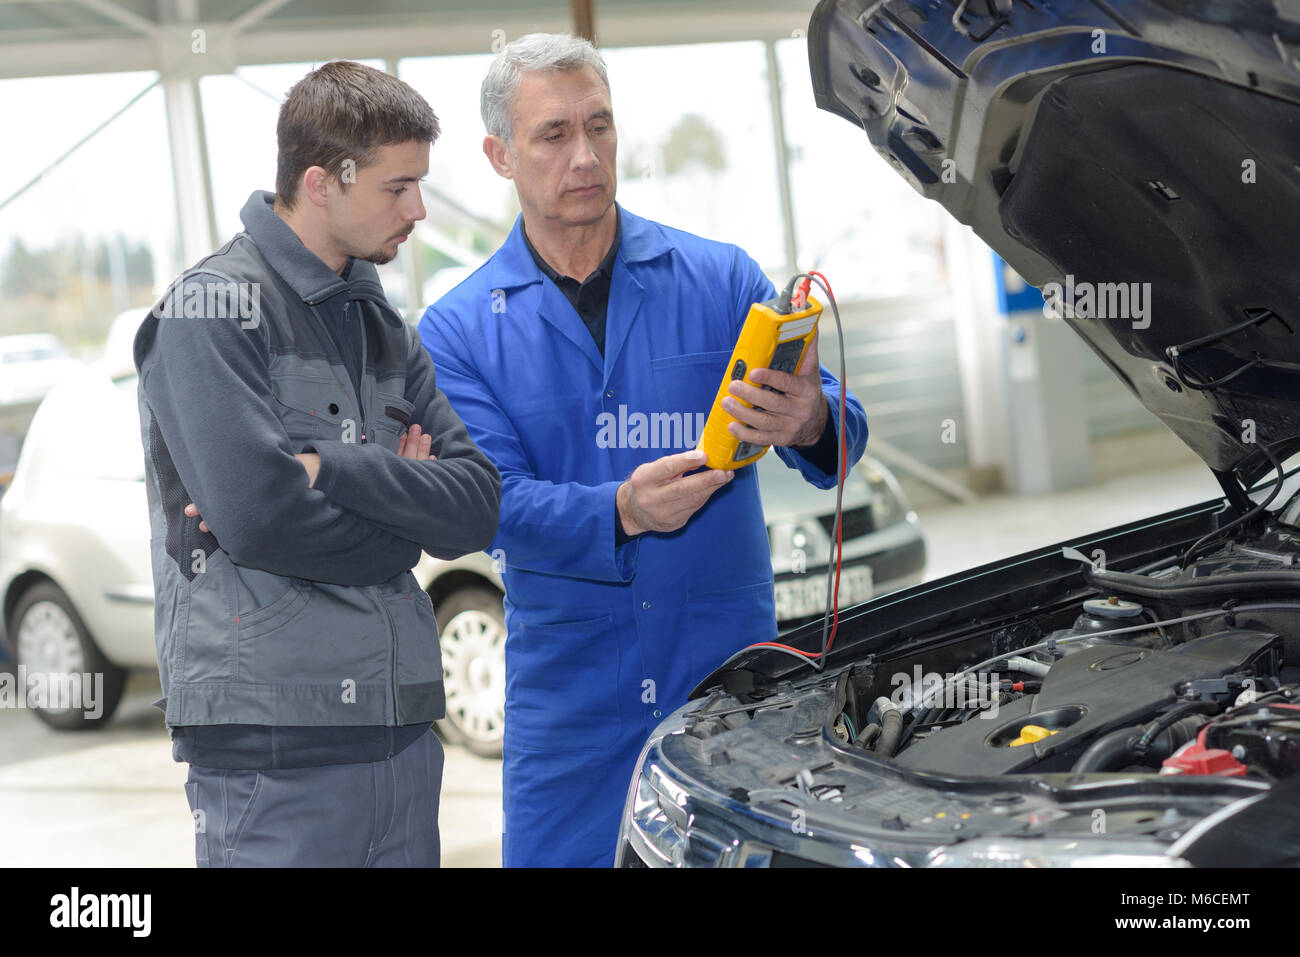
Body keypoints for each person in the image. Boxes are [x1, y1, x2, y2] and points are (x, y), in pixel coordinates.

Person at [420, 33, 868, 868]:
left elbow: (841, 432)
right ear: (499, 155)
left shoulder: (721, 279)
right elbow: (486, 502)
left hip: (729, 686)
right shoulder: (457, 330)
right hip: (571, 708)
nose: (585, 155)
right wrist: (618, 509)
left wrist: (810, 419)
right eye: (554, 134)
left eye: (600, 126)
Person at [135, 60, 501, 867]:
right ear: (320, 182)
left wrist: (331, 468)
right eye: (396, 187)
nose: (418, 209)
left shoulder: (384, 328)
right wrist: (406, 519)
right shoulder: (209, 312)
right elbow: (262, 517)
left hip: (403, 735)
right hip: (275, 750)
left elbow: (476, 503)